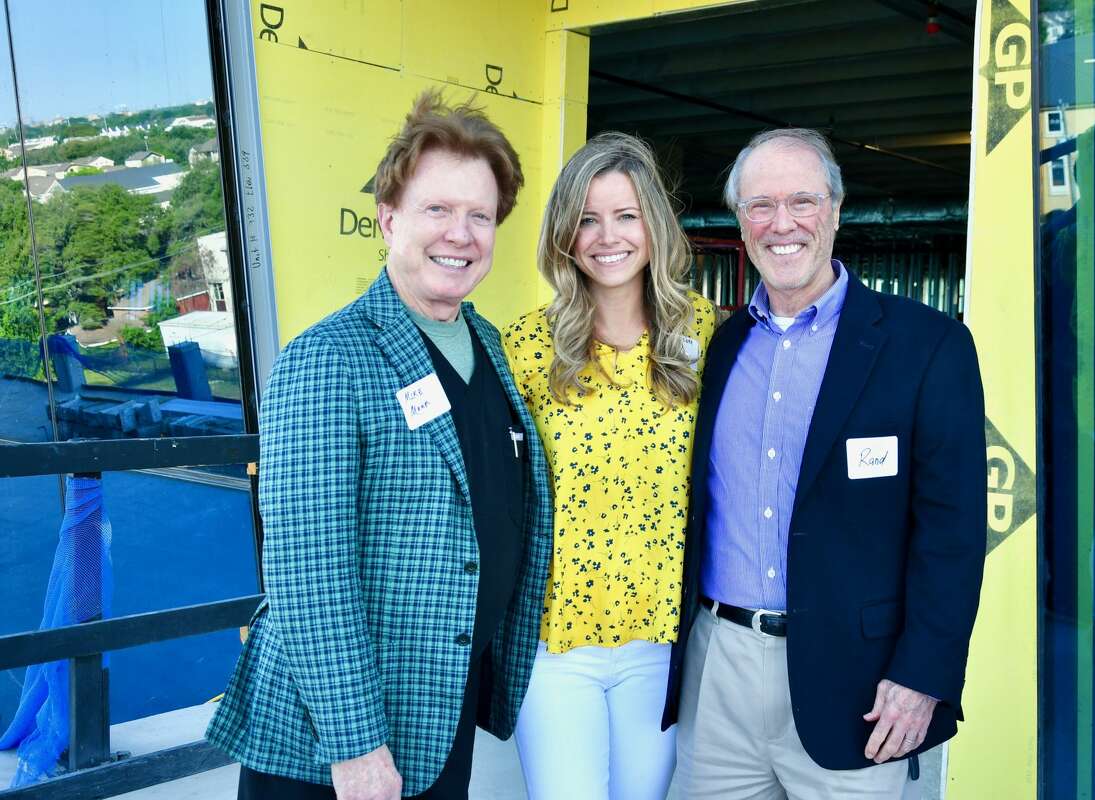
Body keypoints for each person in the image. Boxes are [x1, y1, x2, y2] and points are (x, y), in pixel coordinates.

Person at [206, 90, 553, 800]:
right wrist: (356, 745)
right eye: (438, 210)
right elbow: (309, 572)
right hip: (332, 747)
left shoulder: (488, 347)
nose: (460, 234)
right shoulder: (327, 360)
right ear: (388, 218)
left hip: (437, 712)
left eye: (479, 216)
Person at [664, 128, 986, 799]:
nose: (782, 224)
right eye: (759, 206)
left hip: (859, 682)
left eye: (803, 201)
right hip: (718, 670)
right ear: (740, 222)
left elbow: (953, 535)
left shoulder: (928, 346)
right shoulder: (717, 348)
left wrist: (925, 673)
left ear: (837, 211)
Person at [502, 132, 716, 800]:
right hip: (555, 647)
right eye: (587, 218)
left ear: (654, 223)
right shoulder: (526, 345)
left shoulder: (706, 334)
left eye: (626, 215)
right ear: (565, 234)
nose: (607, 236)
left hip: (658, 643)